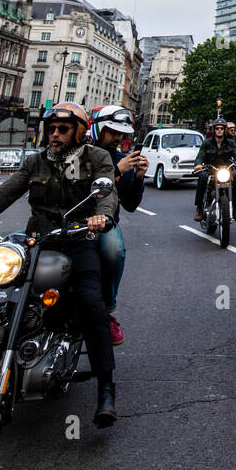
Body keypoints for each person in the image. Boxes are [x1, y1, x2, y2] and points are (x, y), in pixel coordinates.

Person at [0, 102, 120, 427]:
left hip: (77, 239)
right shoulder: (35, 161)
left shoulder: (96, 158)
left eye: (63, 129)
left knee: (90, 301)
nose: (55, 134)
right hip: (37, 239)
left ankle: (106, 389)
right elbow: (6, 192)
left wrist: (102, 217)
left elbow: (106, 193)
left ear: (79, 132)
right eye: (51, 128)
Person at [89, 105, 147, 346]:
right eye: (112, 132)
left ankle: (107, 309)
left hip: (104, 223)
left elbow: (131, 204)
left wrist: (138, 177)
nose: (118, 138)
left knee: (114, 250)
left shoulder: (121, 160)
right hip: (70, 219)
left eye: (121, 134)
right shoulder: (81, 152)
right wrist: (116, 171)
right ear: (99, 129)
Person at [193, 118, 236, 222]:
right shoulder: (206, 143)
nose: (219, 130)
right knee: (202, 177)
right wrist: (198, 165)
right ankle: (199, 208)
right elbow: (200, 157)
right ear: (214, 130)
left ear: (225, 130)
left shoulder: (230, 143)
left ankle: (235, 208)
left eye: (222, 128)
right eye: (217, 128)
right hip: (211, 170)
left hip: (226, 170)